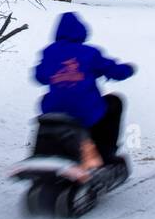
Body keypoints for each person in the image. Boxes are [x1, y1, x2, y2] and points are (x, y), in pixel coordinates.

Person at [33, 12, 134, 164]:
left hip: (53, 110)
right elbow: (115, 71)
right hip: (85, 111)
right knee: (114, 103)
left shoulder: (49, 52)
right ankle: (105, 154)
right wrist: (127, 69)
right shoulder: (90, 53)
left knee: (47, 98)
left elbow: (39, 77)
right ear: (81, 31)